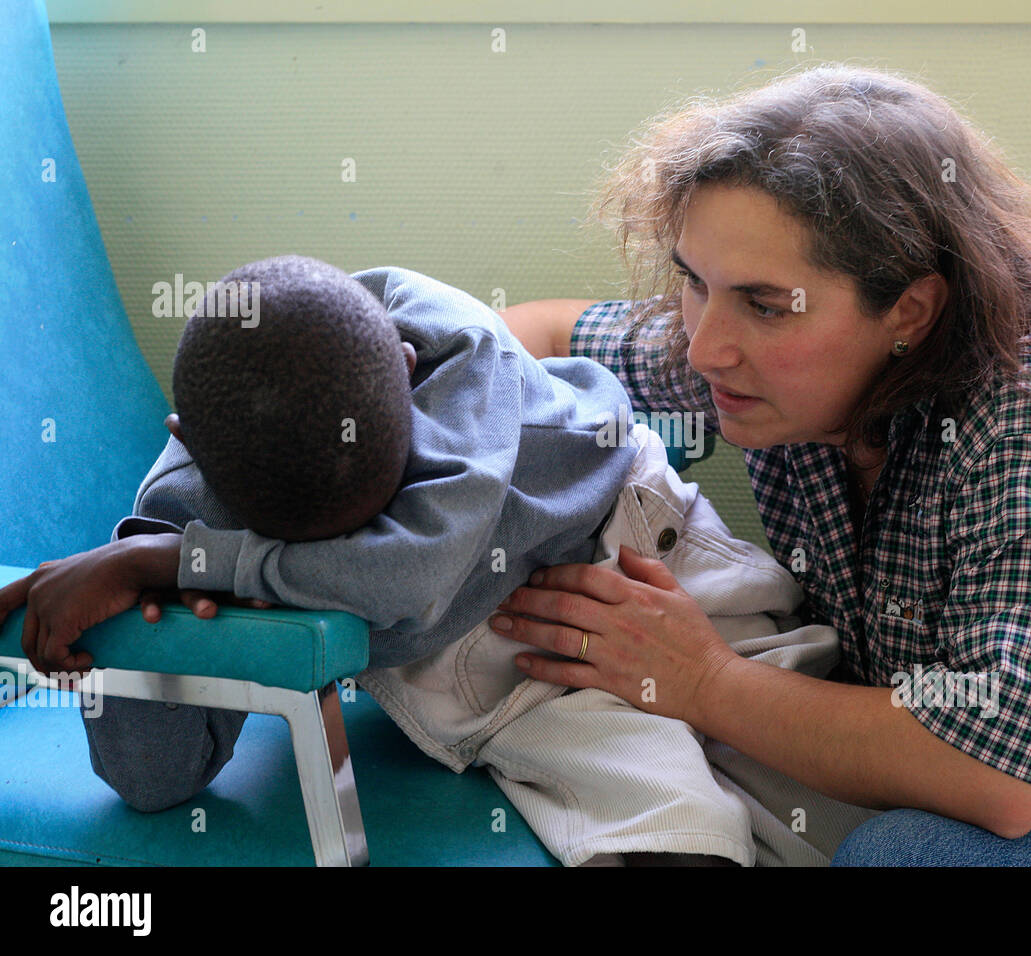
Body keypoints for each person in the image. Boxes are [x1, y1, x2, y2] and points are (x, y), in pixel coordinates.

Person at [495, 63, 1031, 866]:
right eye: (694, 283)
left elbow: (992, 775)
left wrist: (699, 678)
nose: (705, 346)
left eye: (765, 305)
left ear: (910, 309)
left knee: (907, 853)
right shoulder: (772, 354)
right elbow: (542, 337)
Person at [1, 254, 875, 866]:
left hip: (628, 548)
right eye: (308, 544)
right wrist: (142, 643)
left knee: (835, 810)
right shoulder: (192, 501)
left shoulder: (461, 352)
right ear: (190, 447)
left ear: (408, 371)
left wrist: (193, 565)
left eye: (387, 502)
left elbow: (404, 576)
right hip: (505, 670)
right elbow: (153, 783)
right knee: (673, 833)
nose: (358, 543)